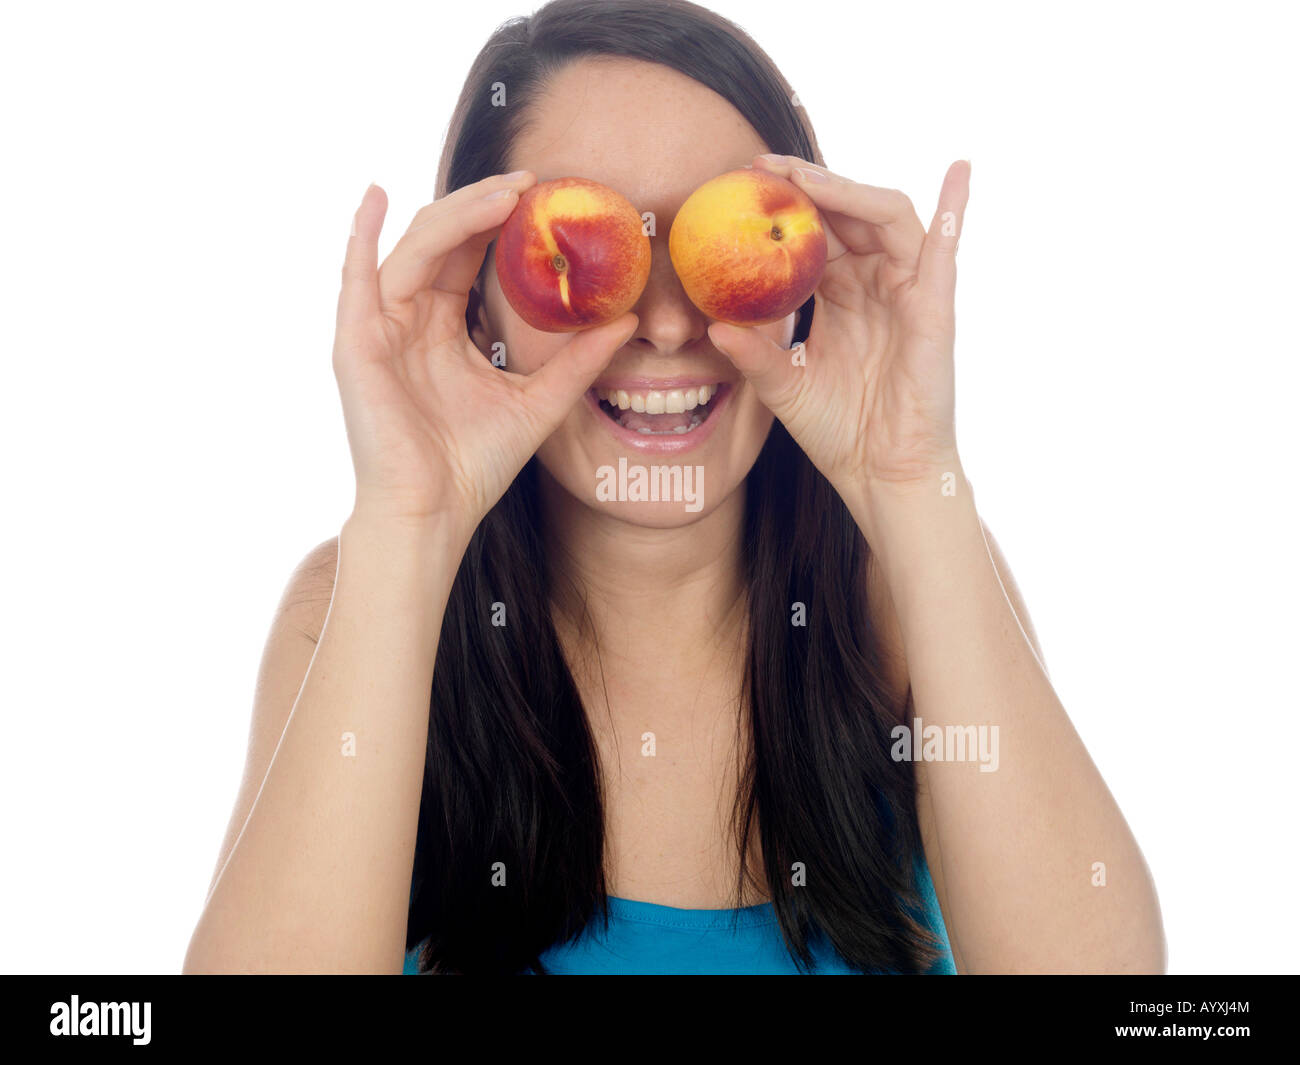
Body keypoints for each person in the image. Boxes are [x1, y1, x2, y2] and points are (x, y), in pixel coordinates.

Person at [184, 0, 1165, 975]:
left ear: (807, 278)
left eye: (717, 238)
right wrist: (409, 517)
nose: (662, 322)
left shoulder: (898, 590)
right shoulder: (356, 605)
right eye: (583, 248)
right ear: (474, 289)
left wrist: (912, 479)